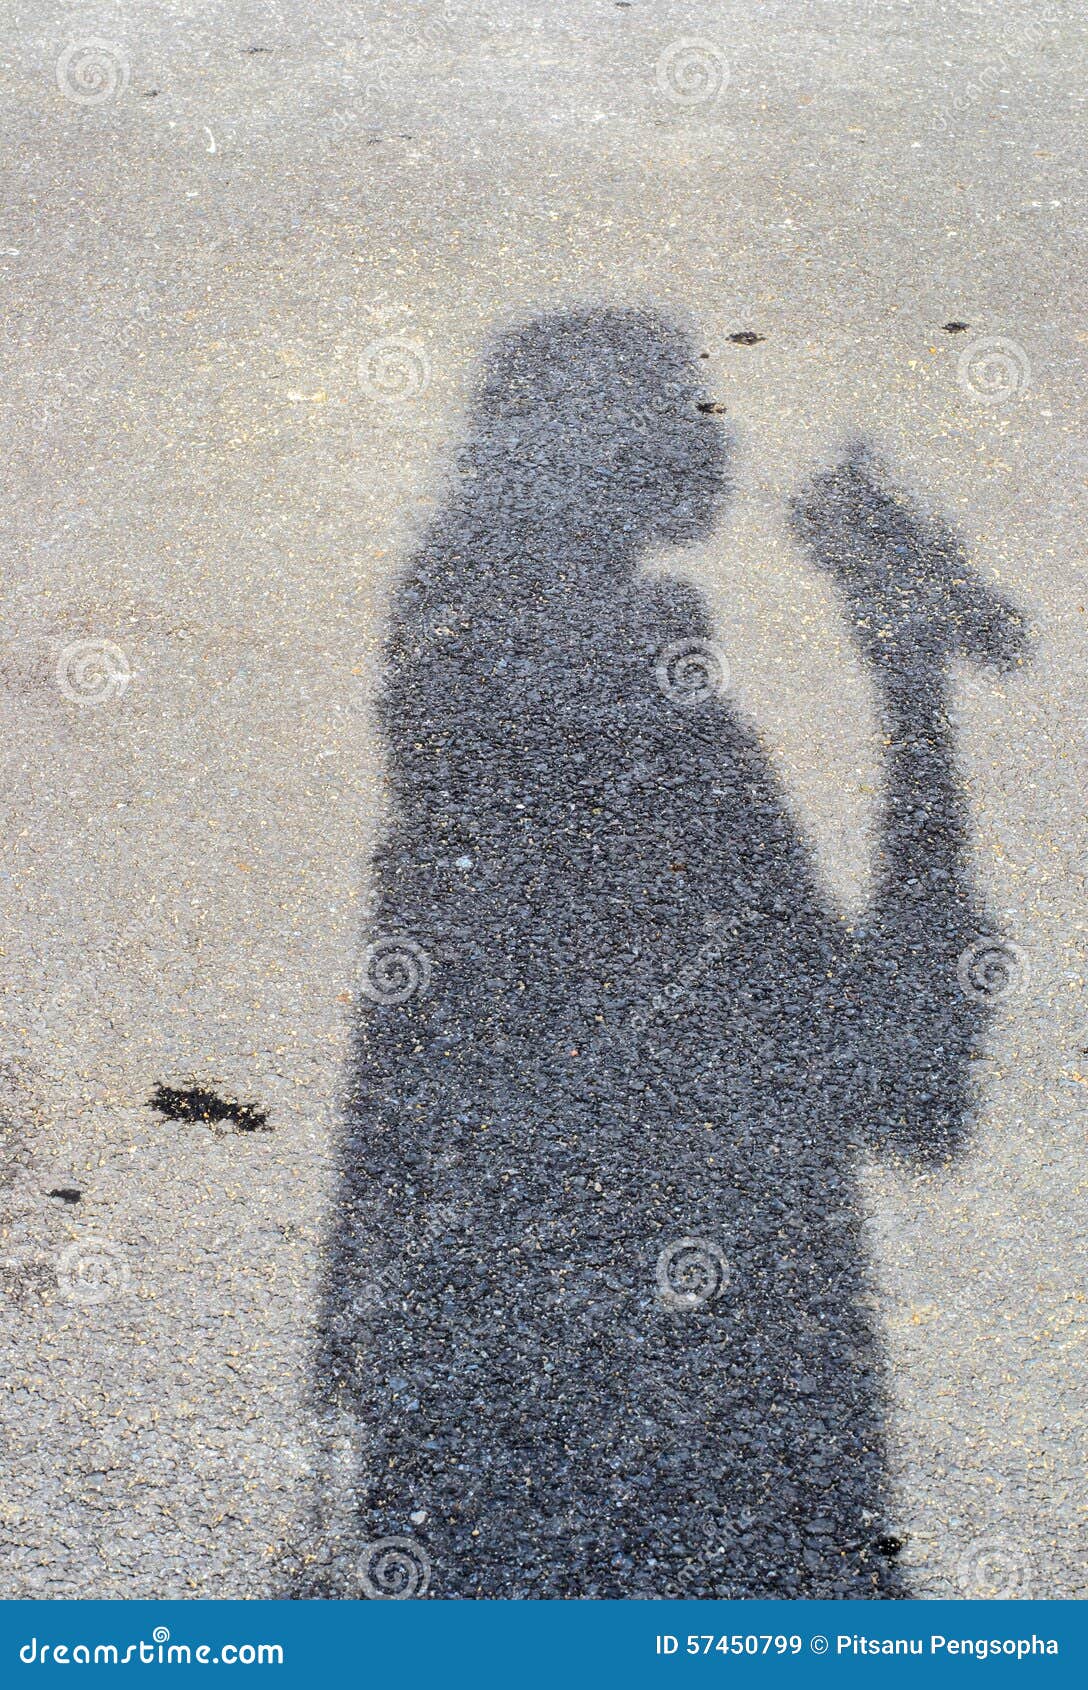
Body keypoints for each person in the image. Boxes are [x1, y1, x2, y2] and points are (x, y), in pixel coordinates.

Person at [309, 308, 1028, 1599]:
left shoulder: (463, 727)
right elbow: (897, 1082)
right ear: (601, 459)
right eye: (683, 404)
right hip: (710, 1453)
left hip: (496, 1440)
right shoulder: (643, 749)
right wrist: (910, 678)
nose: (719, 434)